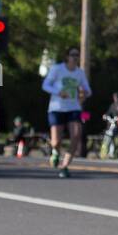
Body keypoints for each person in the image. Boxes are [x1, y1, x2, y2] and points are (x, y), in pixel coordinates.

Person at [42, 48, 91, 178]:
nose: (75, 57)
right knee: (56, 141)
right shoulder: (57, 69)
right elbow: (45, 85)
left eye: (77, 55)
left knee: (76, 135)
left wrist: (84, 93)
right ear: (67, 56)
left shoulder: (80, 73)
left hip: (74, 107)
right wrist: (58, 92)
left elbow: (87, 89)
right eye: (72, 55)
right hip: (56, 108)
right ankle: (55, 152)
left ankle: (65, 166)